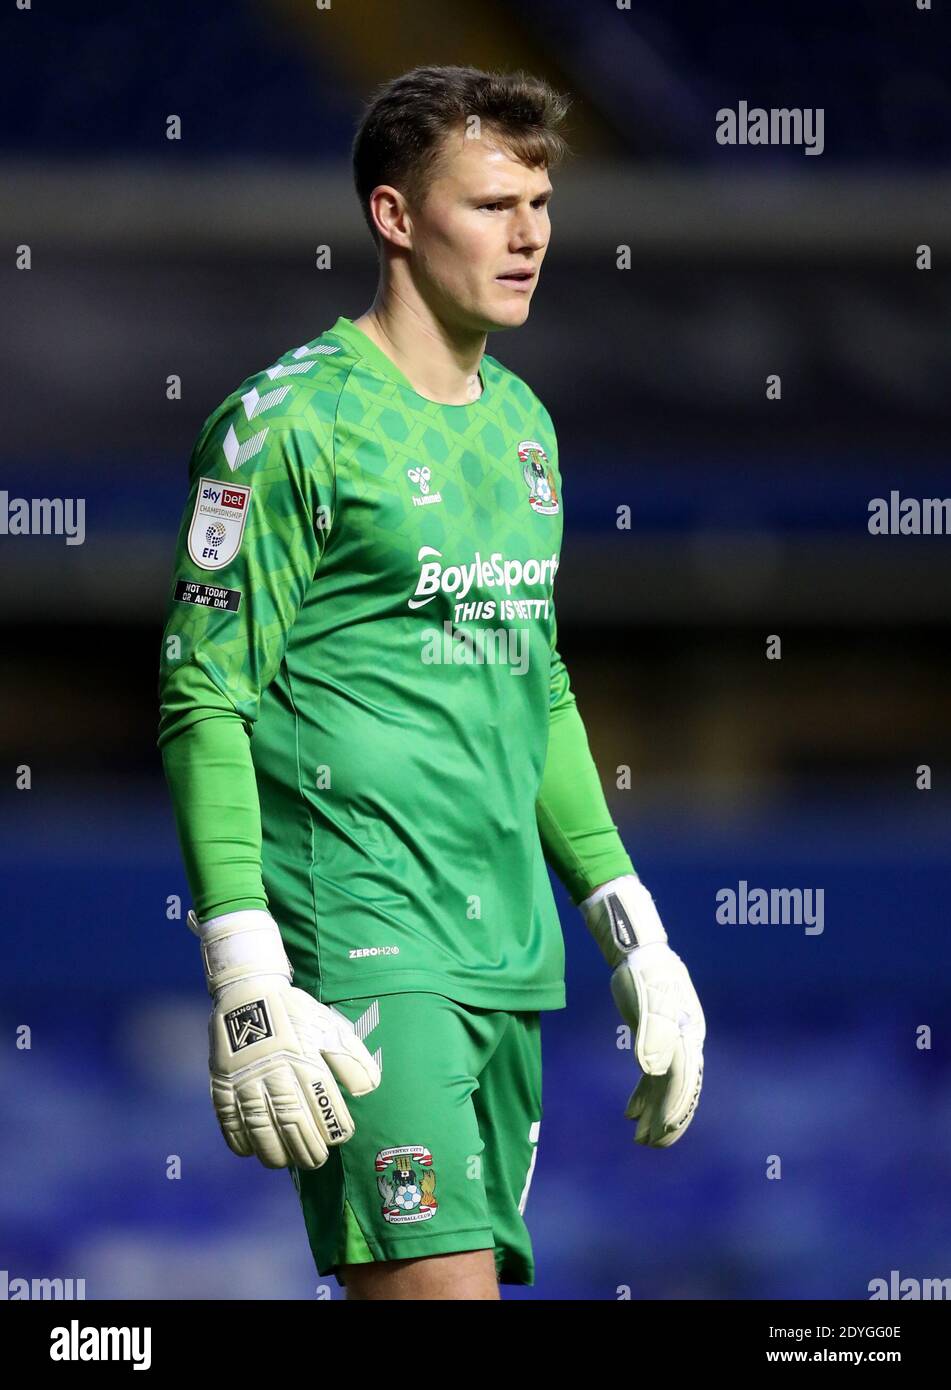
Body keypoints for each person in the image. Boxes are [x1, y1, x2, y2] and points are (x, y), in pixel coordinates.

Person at [157, 64, 705, 1302]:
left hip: (506, 955)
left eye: (544, 203)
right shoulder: (290, 425)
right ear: (396, 217)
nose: (531, 236)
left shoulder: (526, 425)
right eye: (493, 204)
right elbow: (204, 696)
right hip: (364, 944)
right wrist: (245, 970)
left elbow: (536, 677)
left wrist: (631, 929)